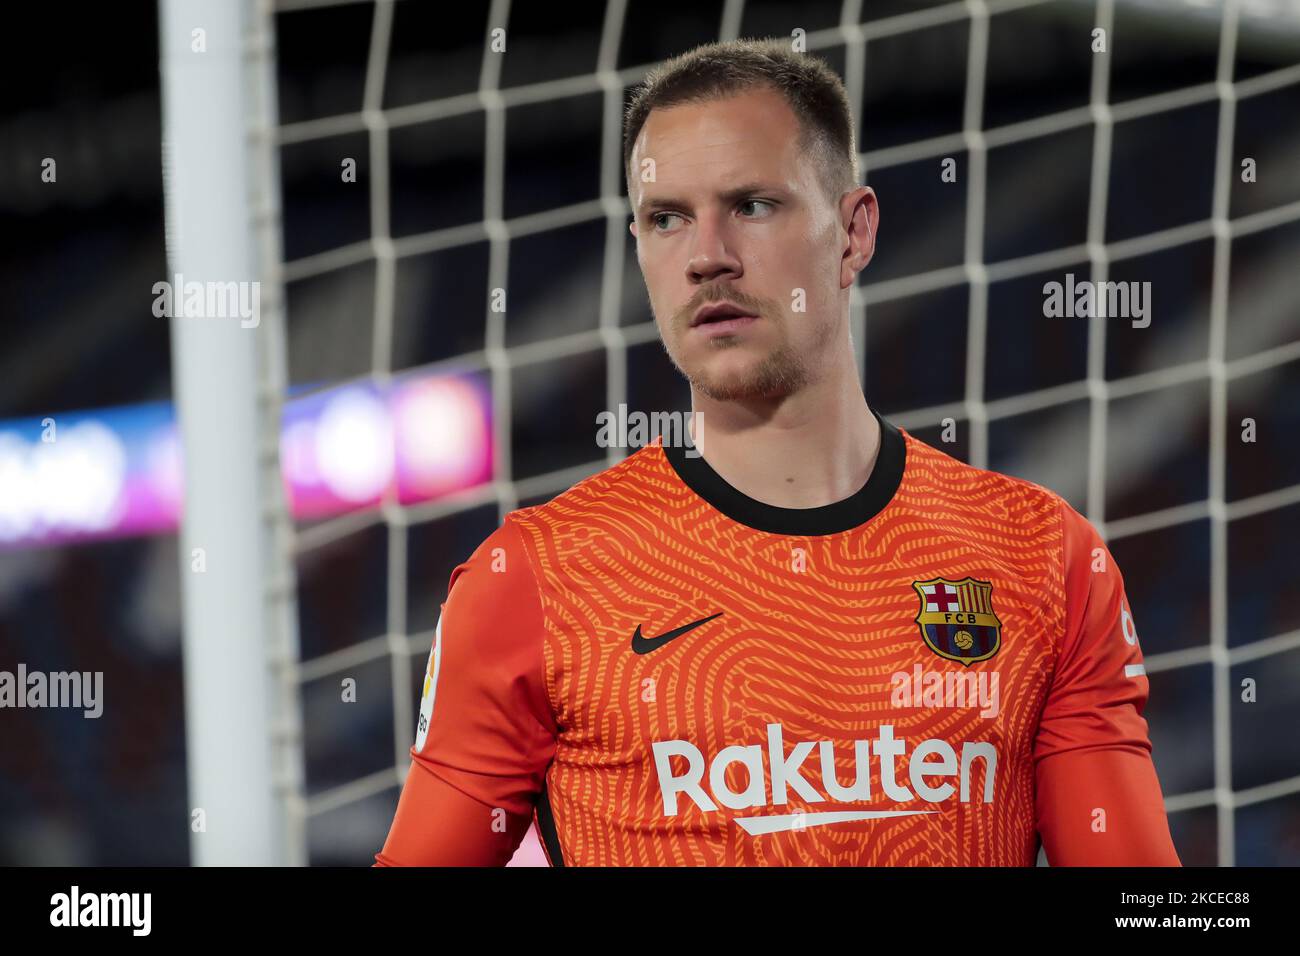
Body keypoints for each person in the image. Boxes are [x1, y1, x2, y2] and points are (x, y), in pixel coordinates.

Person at [375, 38, 1180, 866]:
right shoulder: (534, 580)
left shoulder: (1044, 557)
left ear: (854, 231)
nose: (706, 256)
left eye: (753, 205)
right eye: (667, 218)